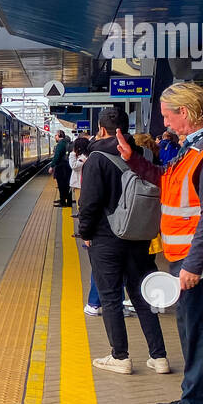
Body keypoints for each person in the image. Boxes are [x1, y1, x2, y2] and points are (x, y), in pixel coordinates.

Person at [115, 81, 203, 404]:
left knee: (199, 334)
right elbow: (167, 182)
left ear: (185, 112)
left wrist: (193, 266)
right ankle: (191, 399)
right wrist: (133, 160)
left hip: (201, 262)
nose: (165, 124)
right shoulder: (196, 148)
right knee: (191, 331)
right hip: (188, 259)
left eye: (168, 116)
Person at [78, 110, 169, 375]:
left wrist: (85, 233)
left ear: (102, 129)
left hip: (107, 237)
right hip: (140, 235)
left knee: (110, 297)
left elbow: (89, 203)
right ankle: (159, 357)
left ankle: (120, 357)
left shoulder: (96, 159)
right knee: (142, 296)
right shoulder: (142, 156)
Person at [68, 136, 89, 214]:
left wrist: (72, 153)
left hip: (79, 185)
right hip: (82, 184)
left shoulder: (83, 157)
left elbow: (74, 166)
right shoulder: (86, 155)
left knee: (80, 205)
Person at [51, 131, 72, 206]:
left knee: (61, 185)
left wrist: (51, 166)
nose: (55, 137)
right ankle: (69, 202)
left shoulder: (60, 144)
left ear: (59, 135)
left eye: (56, 135)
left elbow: (56, 157)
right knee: (67, 184)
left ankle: (63, 202)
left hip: (61, 167)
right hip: (67, 166)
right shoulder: (66, 142)